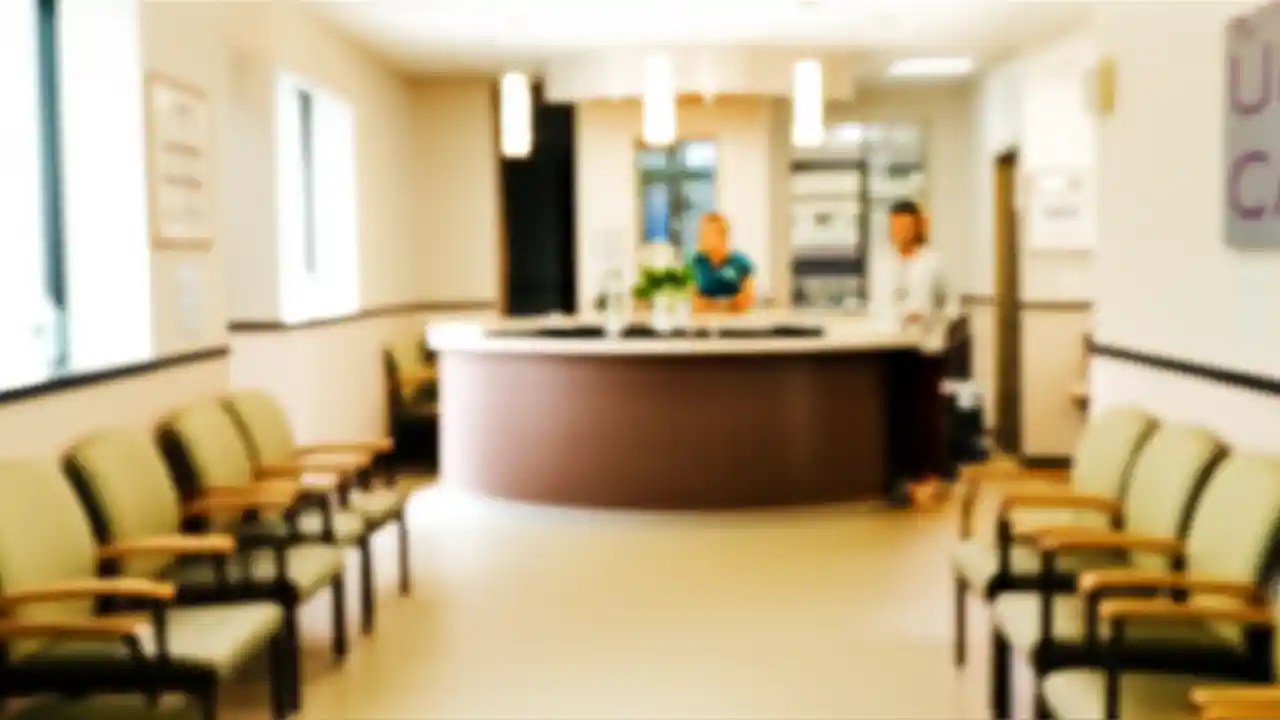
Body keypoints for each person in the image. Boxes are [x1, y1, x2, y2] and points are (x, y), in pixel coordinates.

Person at [881, 199, 953, 509]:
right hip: (892, 345)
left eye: (906, 225)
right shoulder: (884, 261)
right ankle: (905, 477)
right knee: (900, 414)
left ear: (918, 227)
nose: (900, 231)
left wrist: (930, 320)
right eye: (895, 225)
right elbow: (879, 302)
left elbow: (952, 304)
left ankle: (931, 477)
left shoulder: (932, 262)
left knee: (927, 414)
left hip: (927, 346)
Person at [691, 213, 755, 312]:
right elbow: (696, 304)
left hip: (737, 322)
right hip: (705, 322)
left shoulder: (741, 263)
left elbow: (744, 302)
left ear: (724, 235)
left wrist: (710, 304)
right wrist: (727, 303)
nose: (704, 238)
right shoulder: (698, 261)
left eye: (711, 233)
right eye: (703, 233)